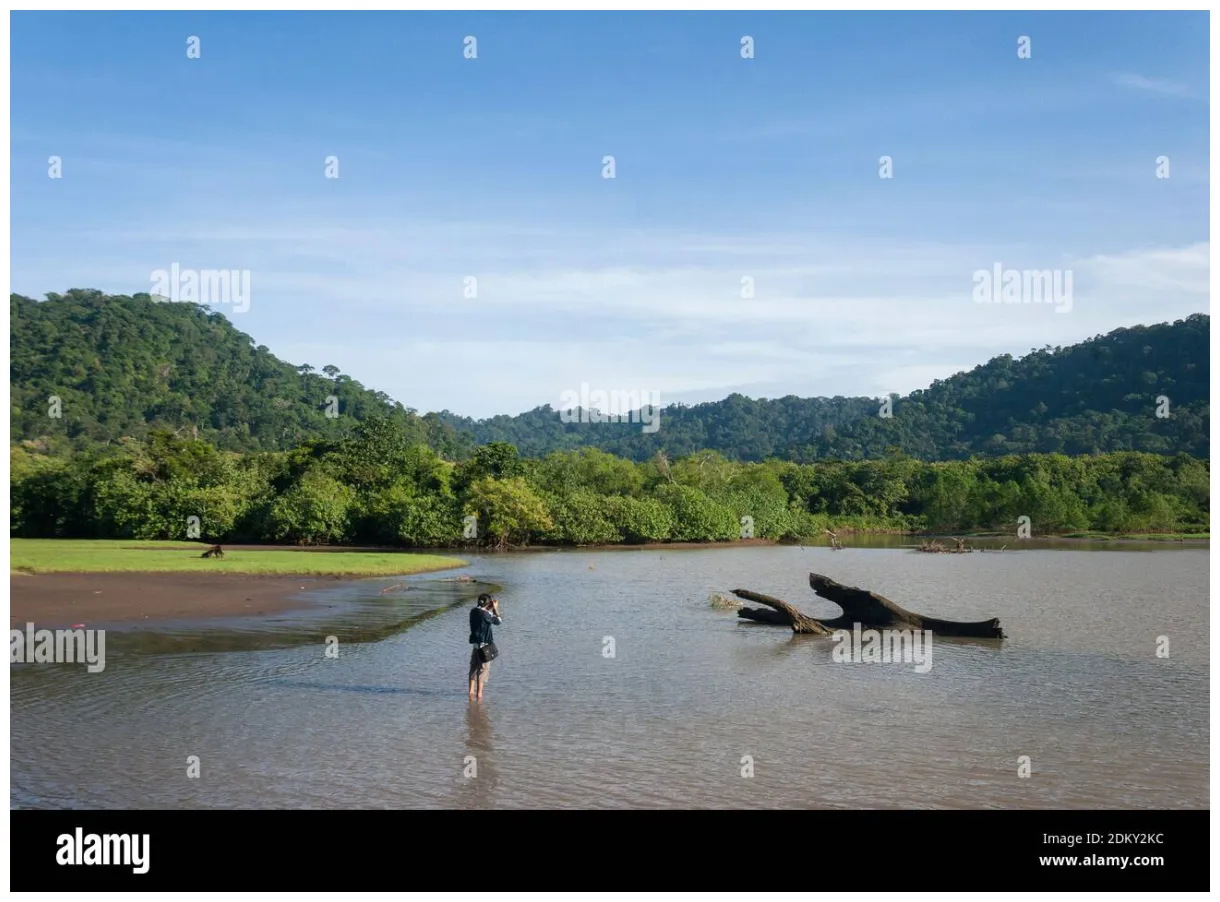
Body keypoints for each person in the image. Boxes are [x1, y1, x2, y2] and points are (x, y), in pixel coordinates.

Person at [468, 593, 503, 700]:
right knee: (482, 672)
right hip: (485, 647)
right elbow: (498, 621)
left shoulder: (473, 611)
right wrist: (496, 609)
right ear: (489, 603)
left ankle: (470, 693)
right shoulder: (487, 615)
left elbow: (482, 613)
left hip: (475, 645)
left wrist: (489, 608)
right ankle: (479, 695)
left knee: (473, 669)